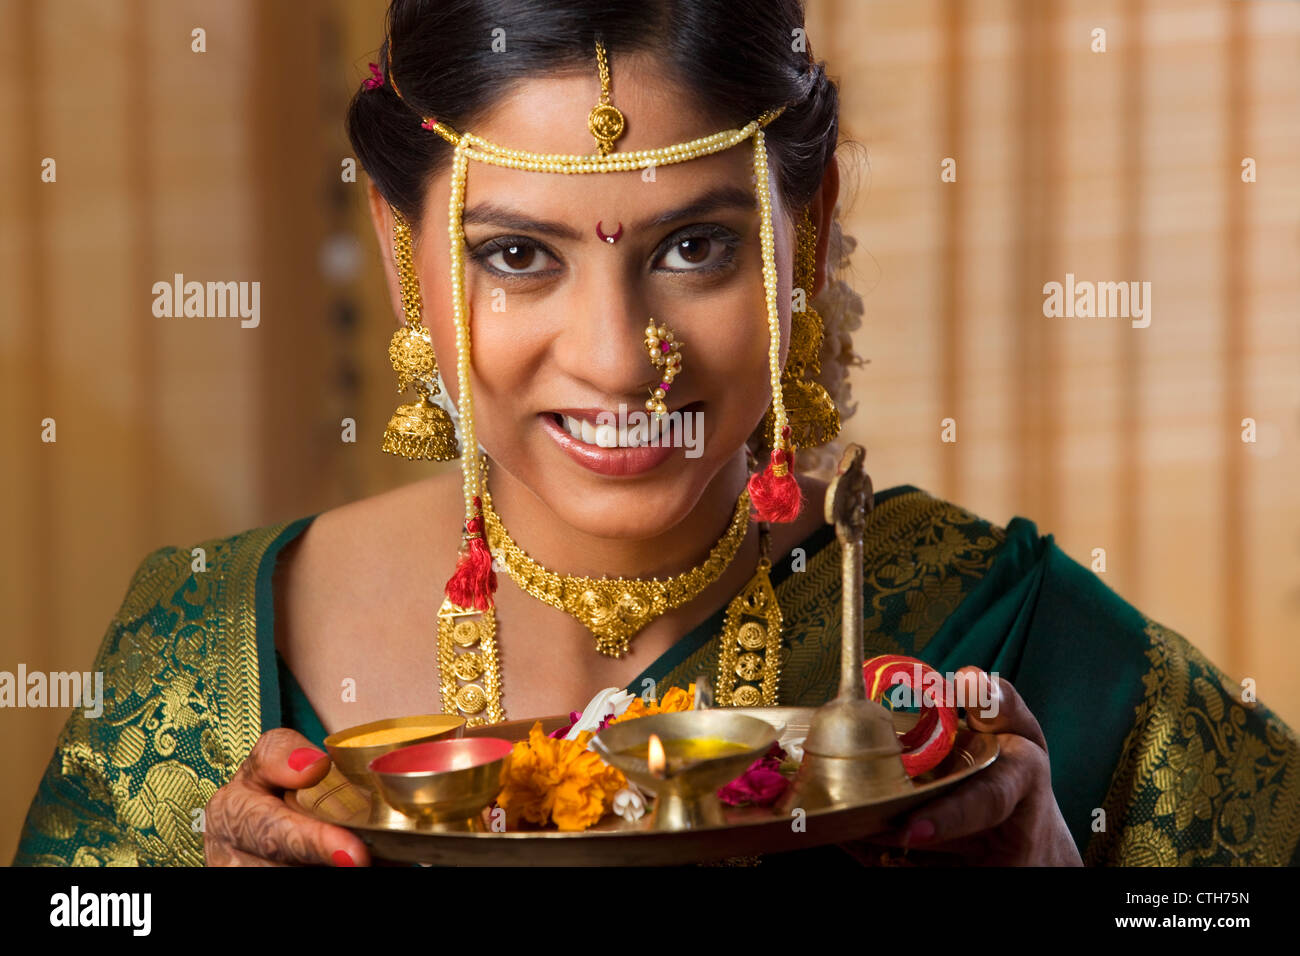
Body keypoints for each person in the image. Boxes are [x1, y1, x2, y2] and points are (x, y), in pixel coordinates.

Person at [13, 0, 1300, 868]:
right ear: (404, 244)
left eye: (698, 246)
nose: (621, 356)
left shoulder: (1002, 643)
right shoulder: (205, 653)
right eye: (516, 254)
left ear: (811, 213)